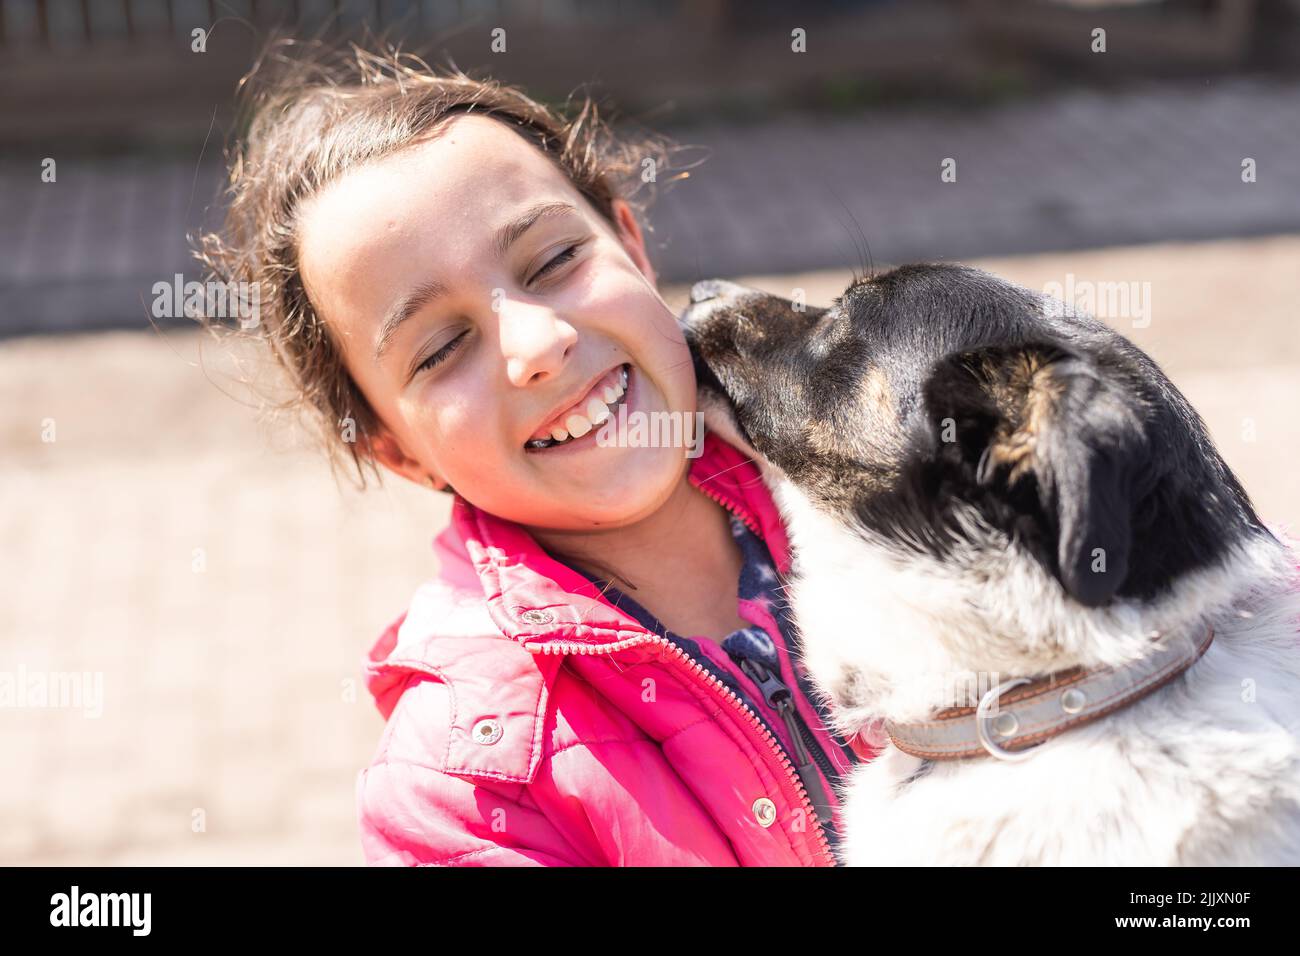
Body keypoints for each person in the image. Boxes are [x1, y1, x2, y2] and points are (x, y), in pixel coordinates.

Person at [196, 42, 876, 866]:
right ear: (398, 451)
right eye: (442, 348)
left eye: (554, 260)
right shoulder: (459, 795)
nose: (538, 344)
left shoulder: (892, 466)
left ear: (630, 242)